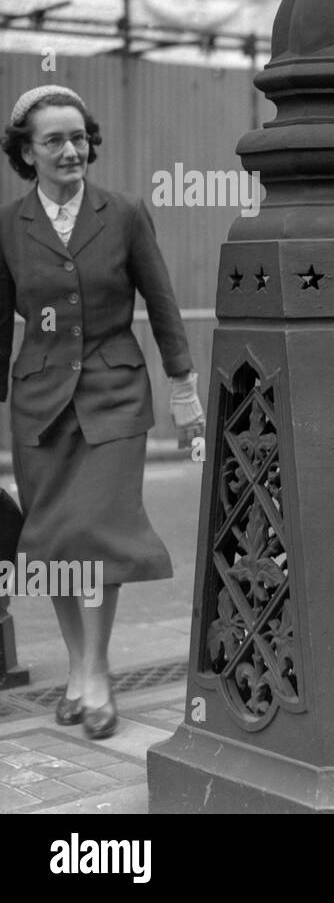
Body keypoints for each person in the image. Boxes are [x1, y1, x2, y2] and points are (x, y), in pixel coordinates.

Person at [0, 85, 203, 740]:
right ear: (26, 154)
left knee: (99, 532)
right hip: (39, 405)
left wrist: (184, 388)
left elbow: (163, 302)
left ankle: (96, 669)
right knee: (56, 539)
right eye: (53, 140)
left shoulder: (124, 214)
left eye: (78, 136)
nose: (70, 149)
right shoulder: (8, 225)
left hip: (114, 399)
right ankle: (82, 671)